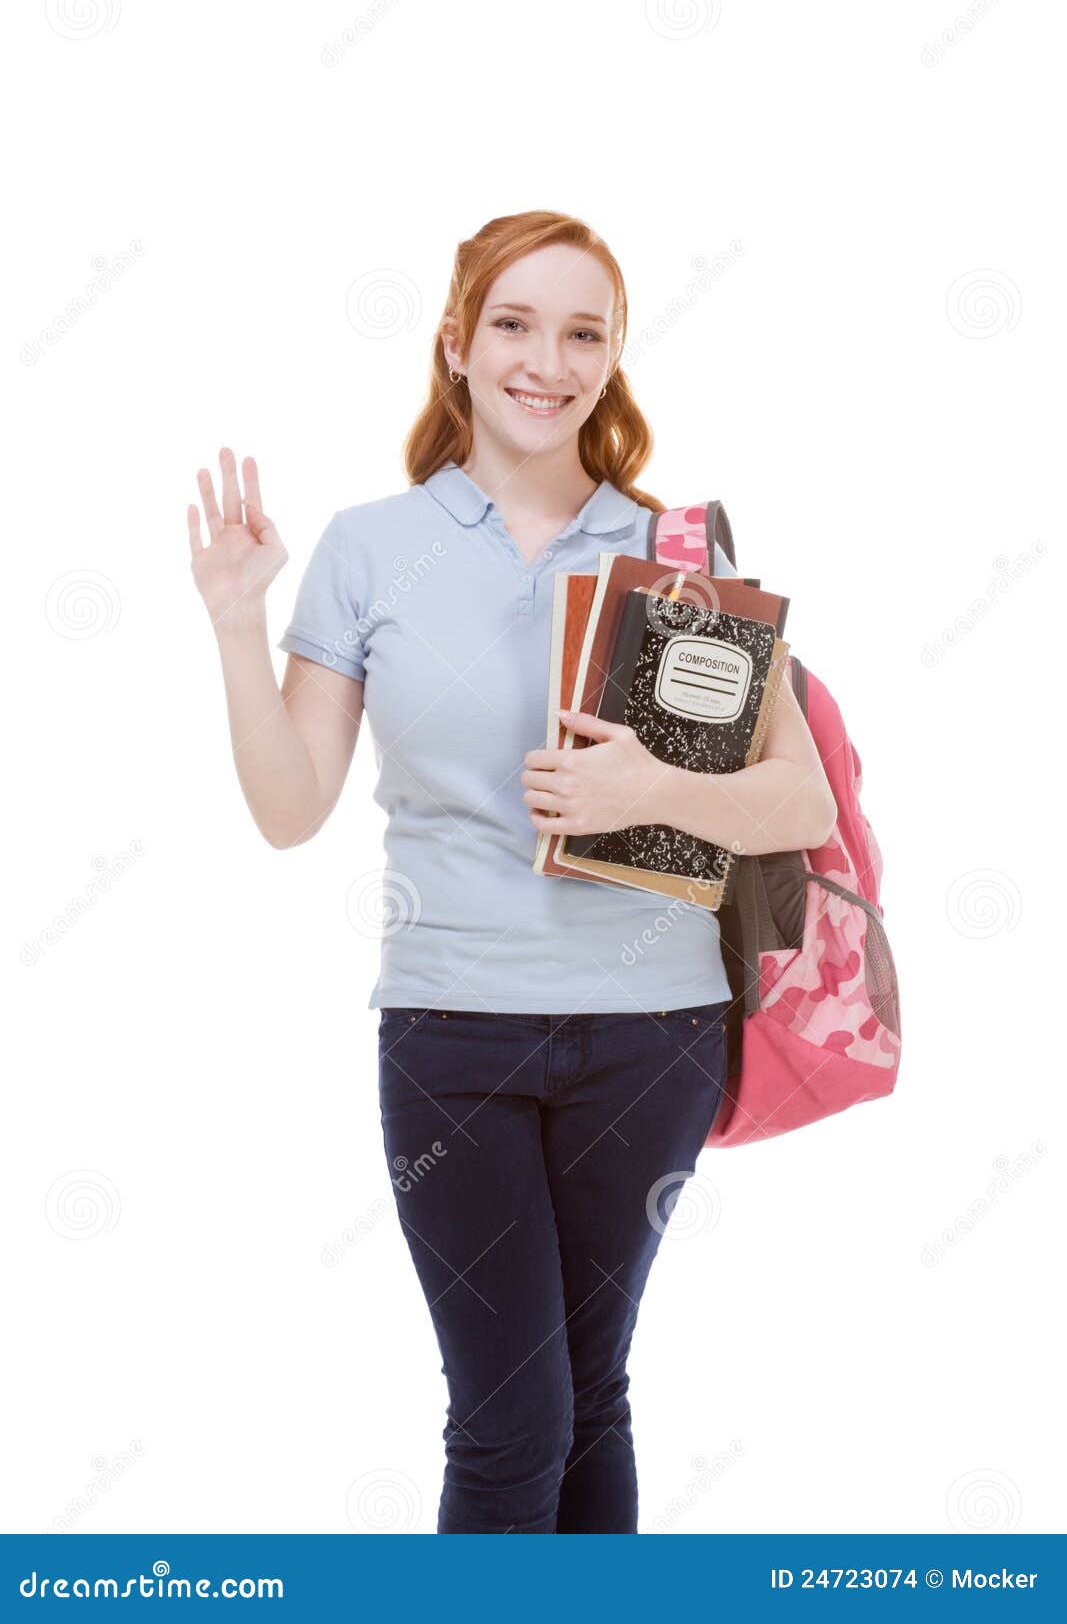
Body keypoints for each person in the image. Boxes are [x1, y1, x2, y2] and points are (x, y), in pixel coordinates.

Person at [188, 209, 836, 1534]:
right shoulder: (370, 547)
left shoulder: (672, 549)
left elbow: (800, 799)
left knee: (589, 1396)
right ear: (459, 346)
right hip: (452, 1033)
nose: (549, 359)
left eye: (583, 331)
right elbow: (288, 808)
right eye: (516, 323)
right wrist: (237, 618)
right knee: (511, 1418)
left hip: (652, 1037)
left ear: (612, 360)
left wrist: (647, 789)